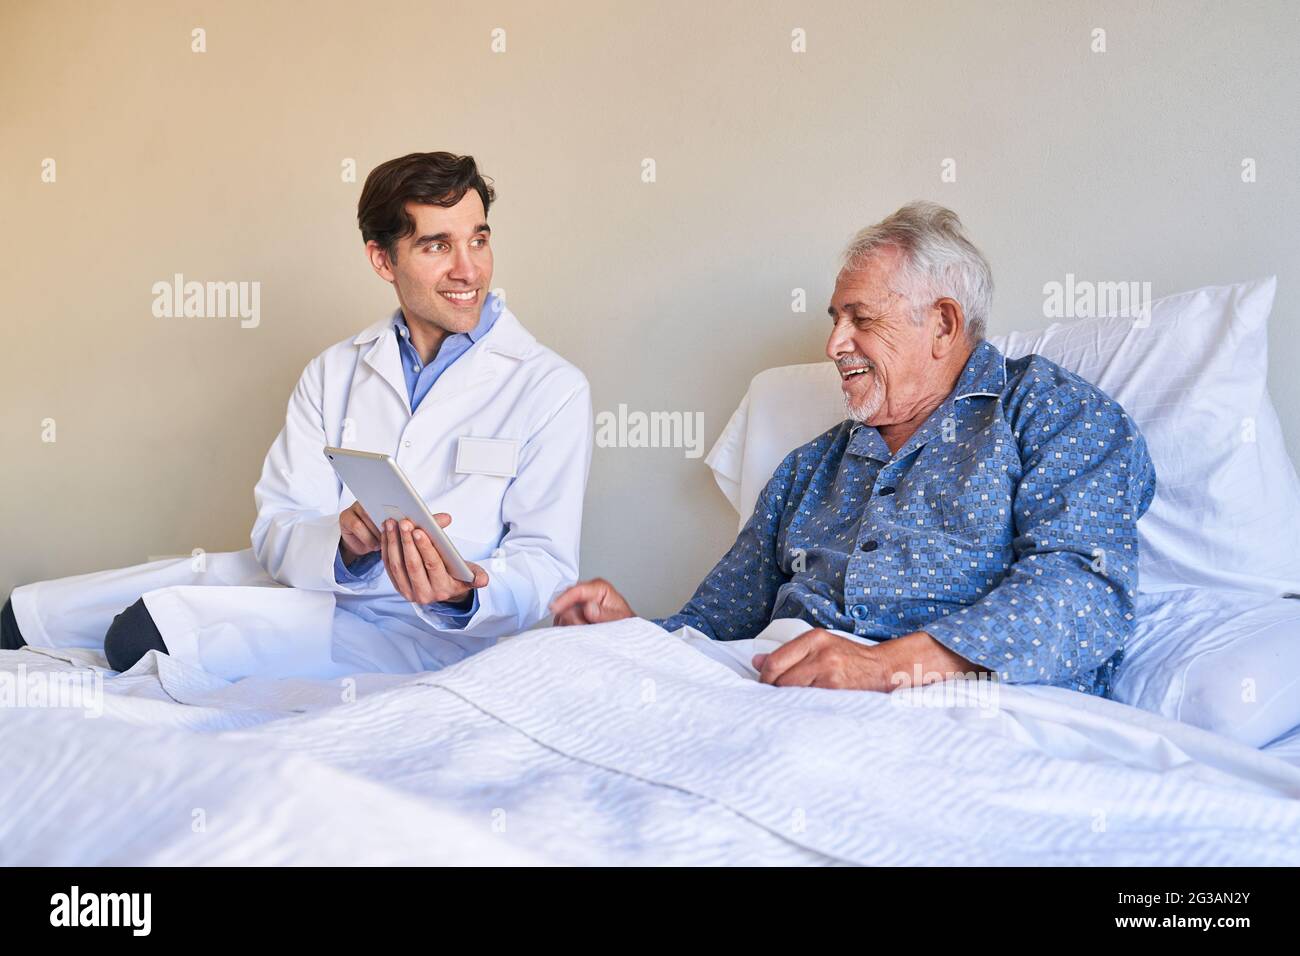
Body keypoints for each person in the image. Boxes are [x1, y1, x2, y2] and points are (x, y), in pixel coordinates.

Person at [2, 151, 592, 679]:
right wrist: (345, 545)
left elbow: (546, 562)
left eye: (479, 240)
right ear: (382, 260)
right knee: (29, 617)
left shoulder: (551, 388)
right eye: (437, 245)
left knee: (146, 634)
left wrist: (462, 596)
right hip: (312, 594)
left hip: (427, 639)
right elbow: (278, 524)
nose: (469, 270)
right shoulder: (334, 372)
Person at [552, 201, 1155, 697]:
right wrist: (631, 633)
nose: (834, 343)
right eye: (835, 320)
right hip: (771, 693)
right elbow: (714, 625)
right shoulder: (810, 467)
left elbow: (1086, 592)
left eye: (859, 319)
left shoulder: (1053, 412)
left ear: (943, 324)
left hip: (961, 707)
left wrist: (886, 667)